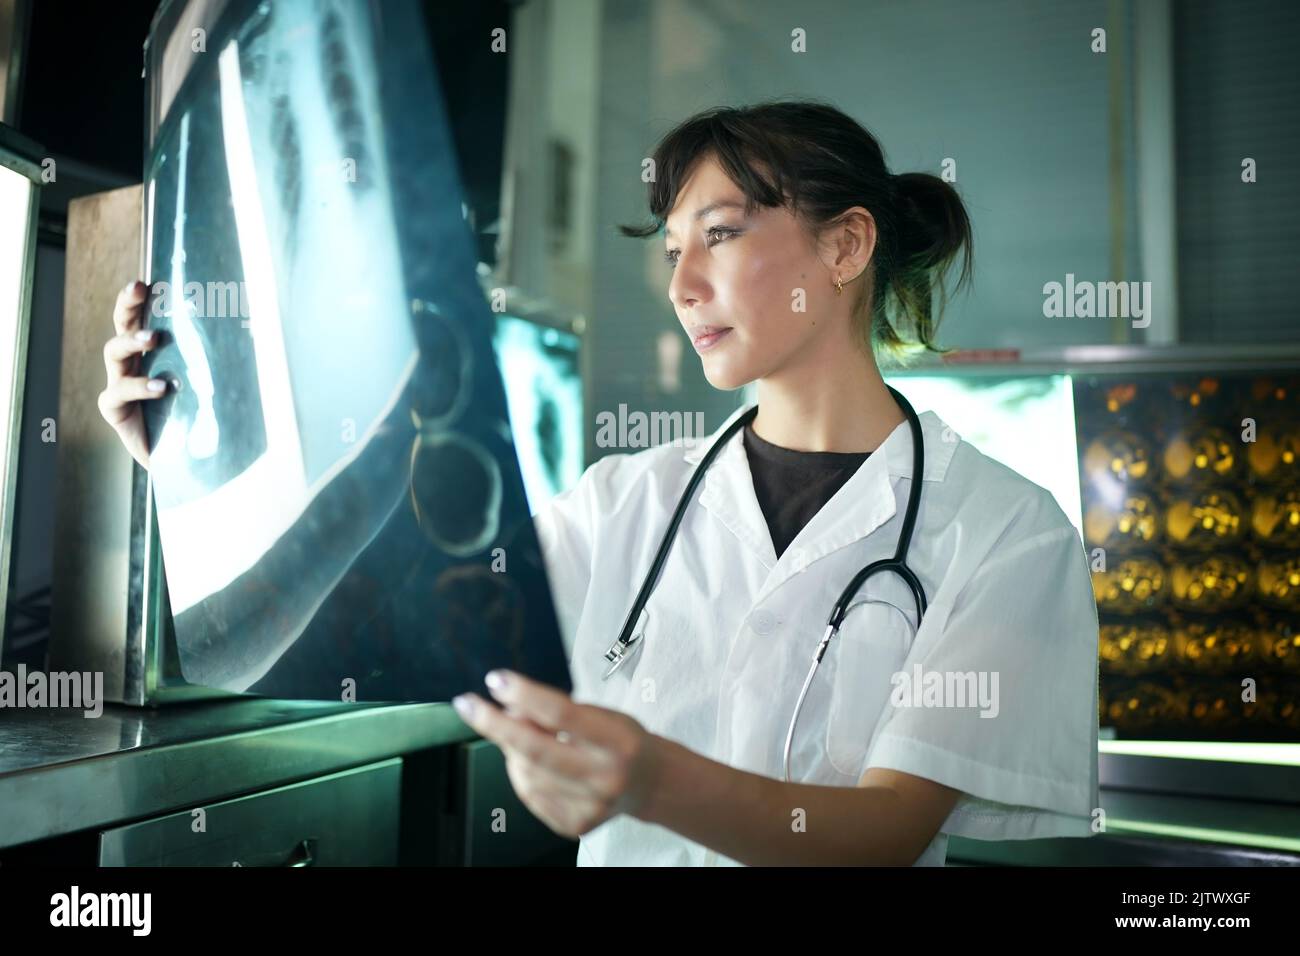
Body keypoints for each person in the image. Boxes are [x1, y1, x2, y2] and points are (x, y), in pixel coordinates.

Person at [100, 98, 1099, 867]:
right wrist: (183, 465)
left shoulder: (1005, 528)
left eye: (719, 233)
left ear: (843, 246)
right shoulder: (624, 502)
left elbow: (886, 831)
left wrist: (650, 776)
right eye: (672, 251)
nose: (680, 285)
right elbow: (386, 630)